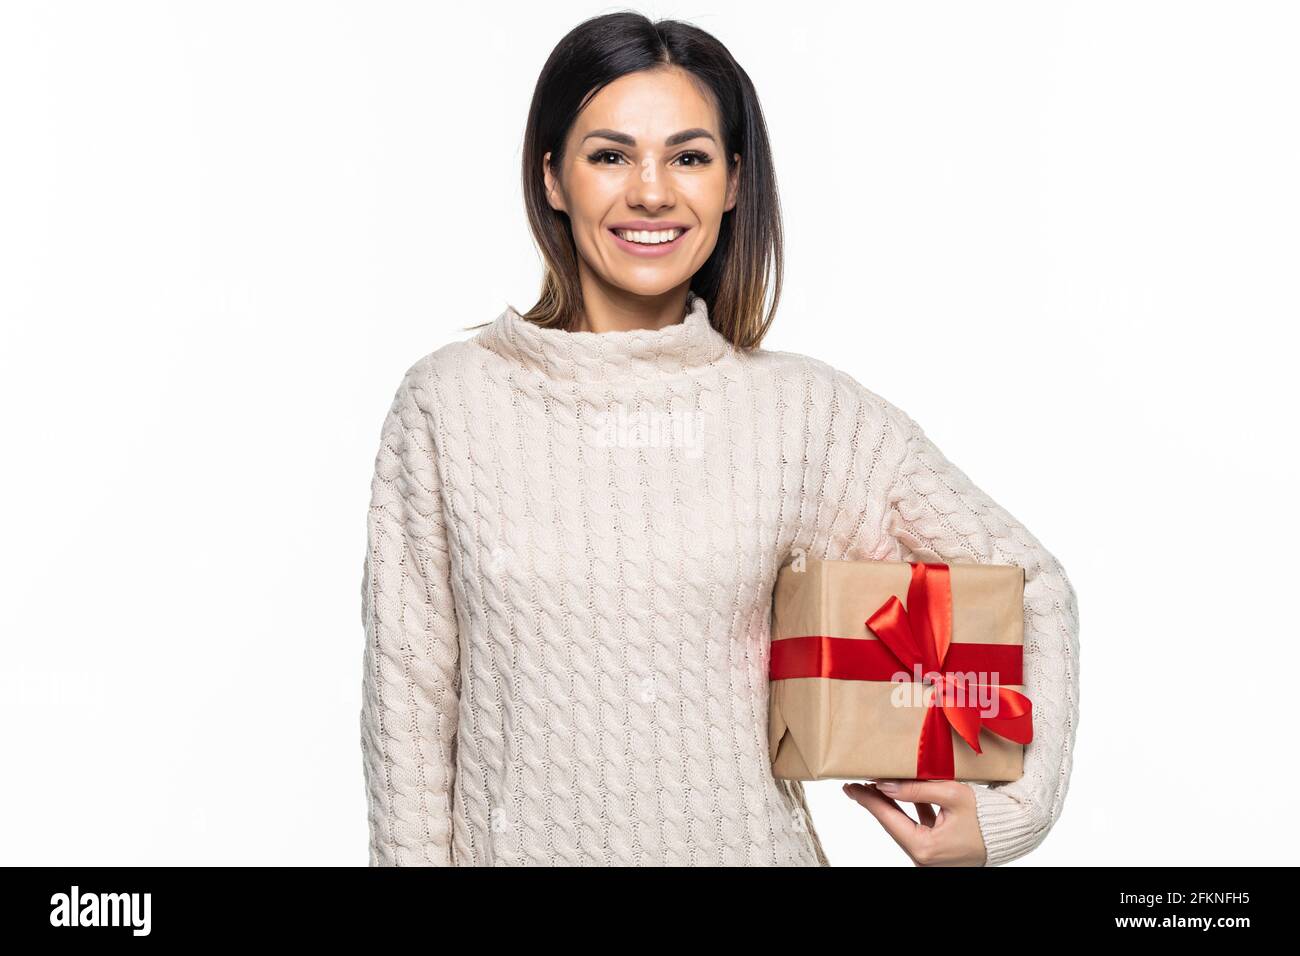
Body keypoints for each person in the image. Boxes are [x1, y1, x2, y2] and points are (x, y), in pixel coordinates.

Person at [359, 11, 1079, 867]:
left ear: (734, 182)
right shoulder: (450, 405)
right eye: (610, 155)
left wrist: (1006, 818)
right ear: (551, 178)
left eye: (689, 157)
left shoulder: (802, 415)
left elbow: (1032, 586)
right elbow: (407, 702)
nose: (652, 191)